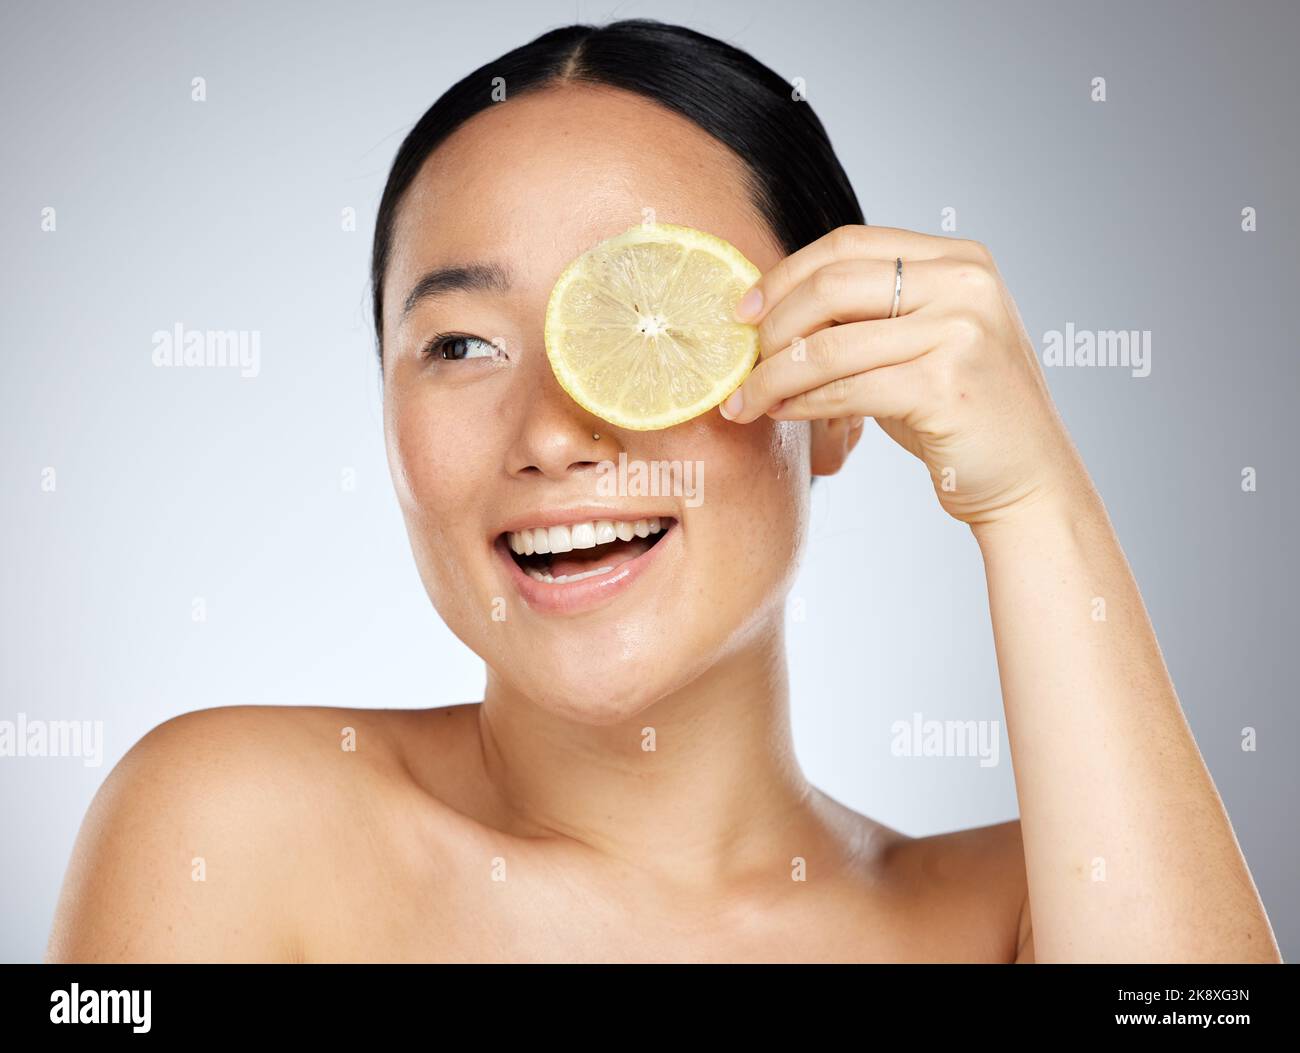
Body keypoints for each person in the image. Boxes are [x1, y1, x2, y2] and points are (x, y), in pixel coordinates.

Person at [46, 18, 1280, 963]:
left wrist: (1034, 505)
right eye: (463, 346)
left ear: (837, 393)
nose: (550, 436)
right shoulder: (230, 828)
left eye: (650, 322)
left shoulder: (1032, 908)